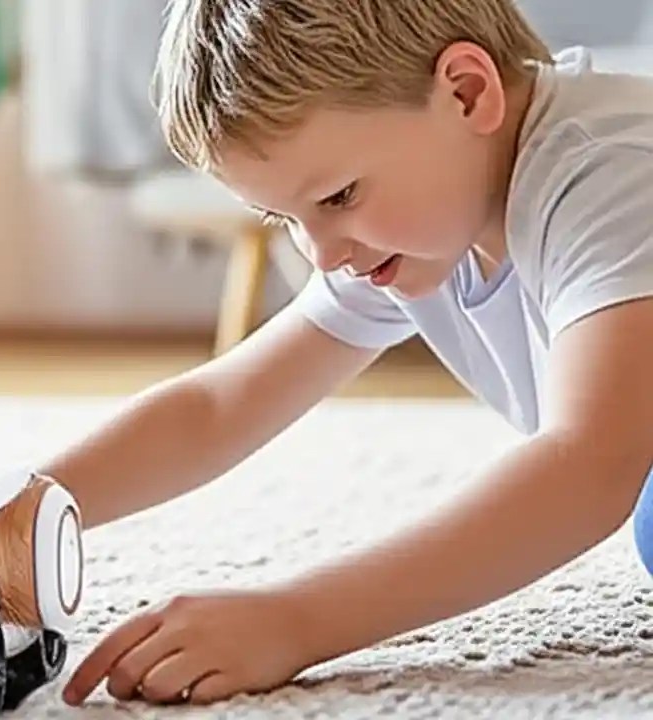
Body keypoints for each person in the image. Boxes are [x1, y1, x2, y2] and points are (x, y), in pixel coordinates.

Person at [35, 0, 653, 707]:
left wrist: (296, 622)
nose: (323, 253)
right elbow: (216, 408)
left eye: (339, 195)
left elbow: (595, 462)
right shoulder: (434, 213)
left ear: (465, 92)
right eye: (284, 219)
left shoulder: (612, 173)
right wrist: (15, 510)